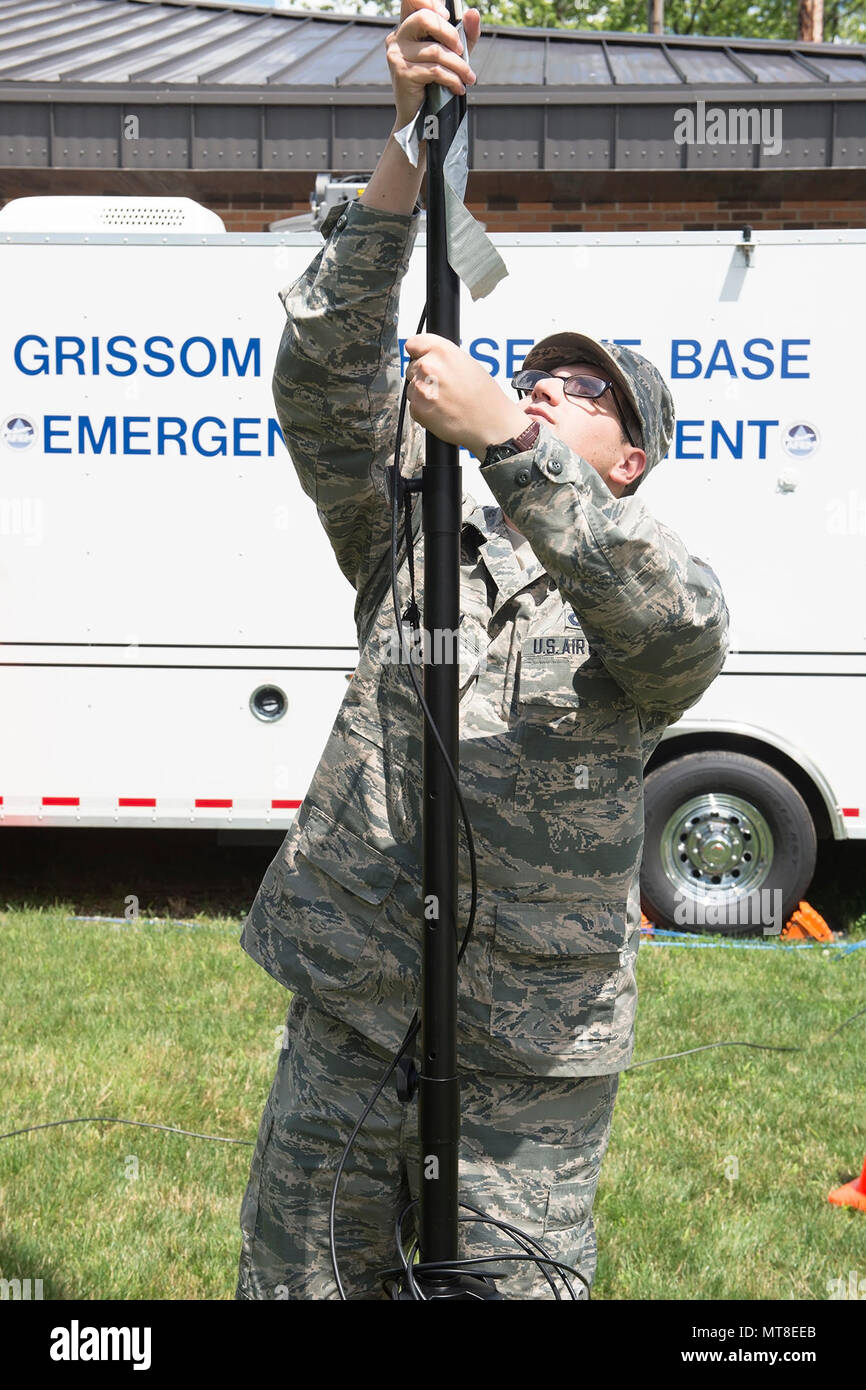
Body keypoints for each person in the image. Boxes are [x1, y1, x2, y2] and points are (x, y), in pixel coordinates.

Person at [234, 0, 729, 1301]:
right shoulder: (412, 523)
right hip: (357, 1002)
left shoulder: (632, 572)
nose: (547, 392)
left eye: (584, 394)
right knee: (299, 1285)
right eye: (534, 376)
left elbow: (680, 632)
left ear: (626, 459)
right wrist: (406, 146)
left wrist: (509, 437)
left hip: (527, 1048)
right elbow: (320, 376)